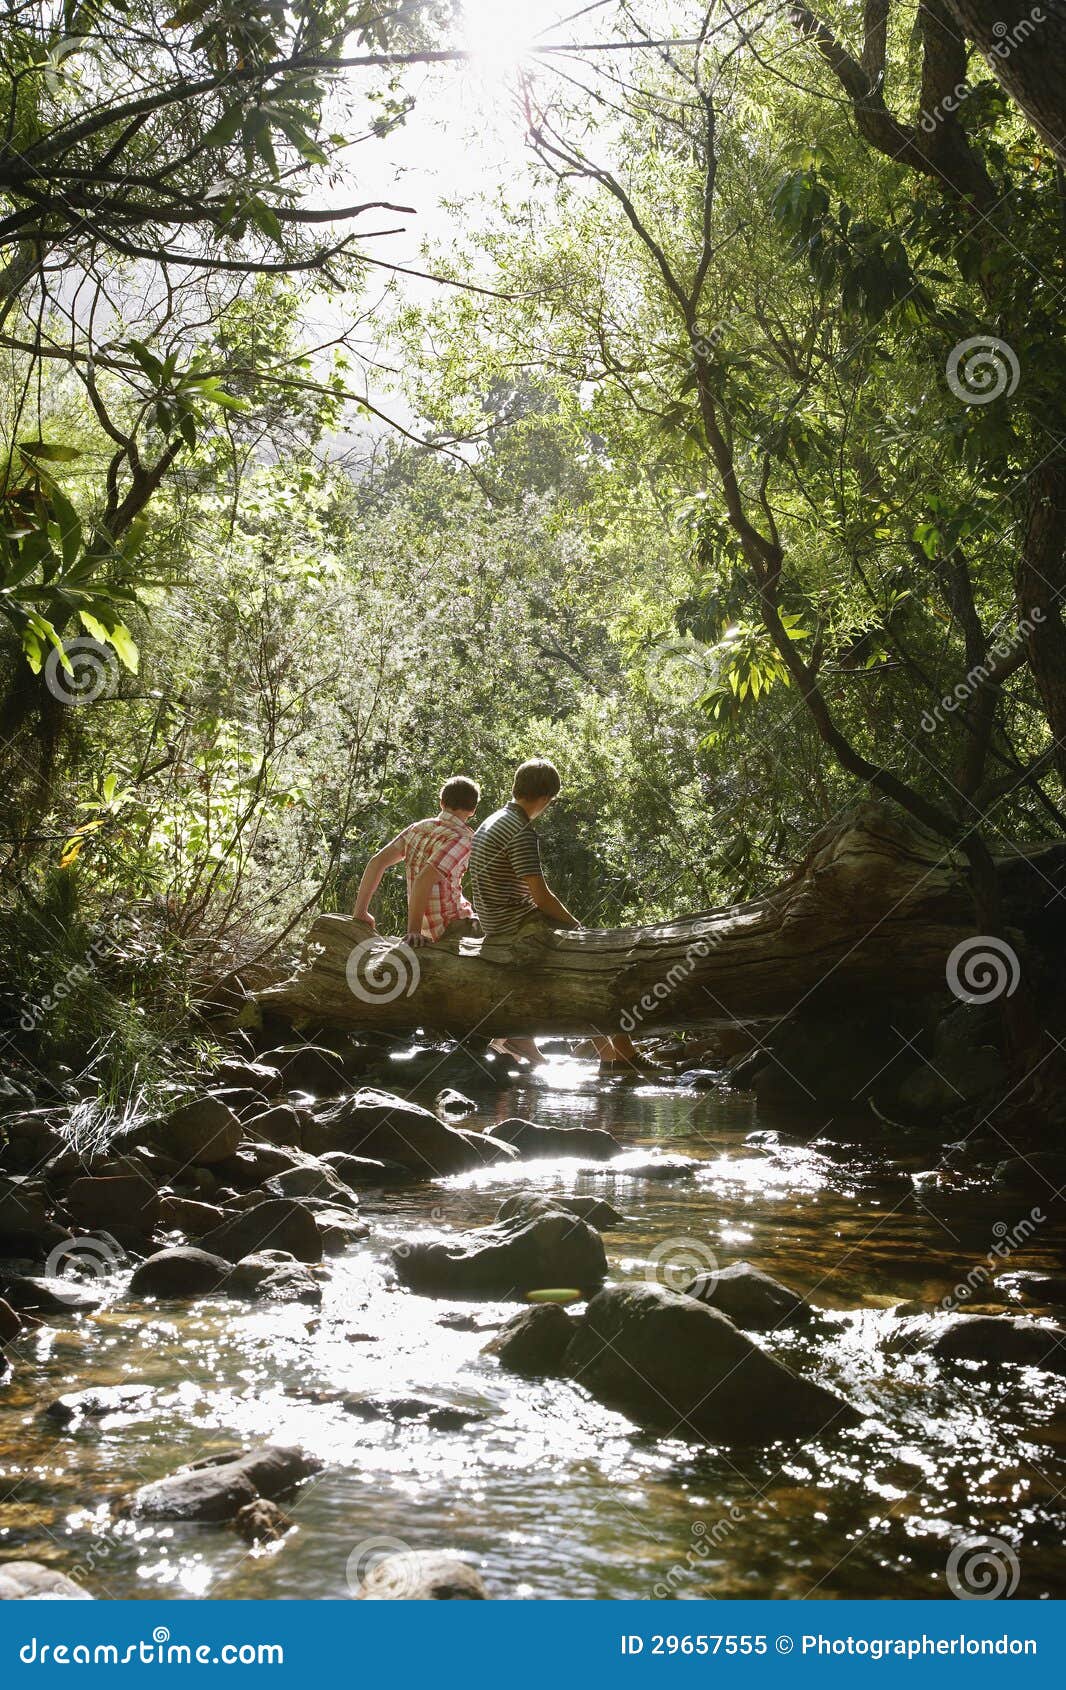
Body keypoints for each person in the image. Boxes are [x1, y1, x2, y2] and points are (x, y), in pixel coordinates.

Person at [468, 758, 653, 1071]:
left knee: (584, 968)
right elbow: (542, 898)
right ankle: (623, 1055)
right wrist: (577, 927)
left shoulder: (493, 820)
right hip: (517, 927)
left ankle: (610, 1054)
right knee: (599, 964)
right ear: (545, 799)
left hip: (494, 922)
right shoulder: (521, 831)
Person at [352, 776, 480, 947]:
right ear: (473, 810)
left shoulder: (418, 827)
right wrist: (413, 931)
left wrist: (360, 912)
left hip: (428, 927)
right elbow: (423, 880)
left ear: (442, 803)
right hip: (452, 926)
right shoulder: (463, 838)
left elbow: (377, 862)